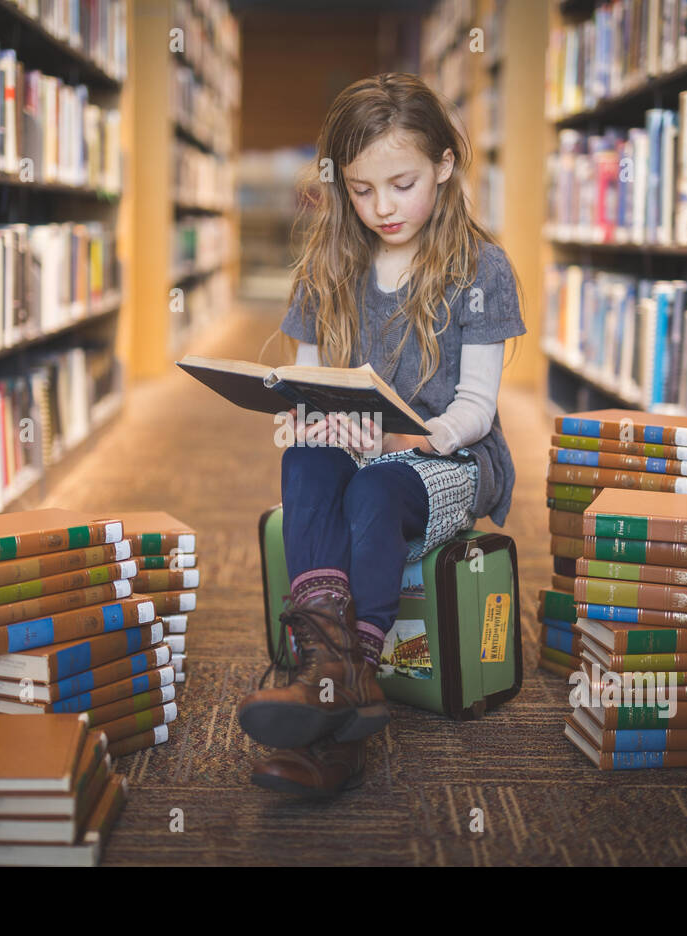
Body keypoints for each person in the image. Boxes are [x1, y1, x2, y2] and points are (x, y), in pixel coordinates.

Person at [238, 72, 526, 797]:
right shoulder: (328, 264)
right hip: (363, 442)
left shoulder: (480, 266)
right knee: (307, 451)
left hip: (452, 458)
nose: (383, 207)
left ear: (445, 166)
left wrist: (414, 441)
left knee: (370, 486)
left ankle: (338, 675)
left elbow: (478, 407)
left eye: (401, 184)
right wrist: (312, 414)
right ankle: (336, 677)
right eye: (363, 191)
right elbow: (307, 387)